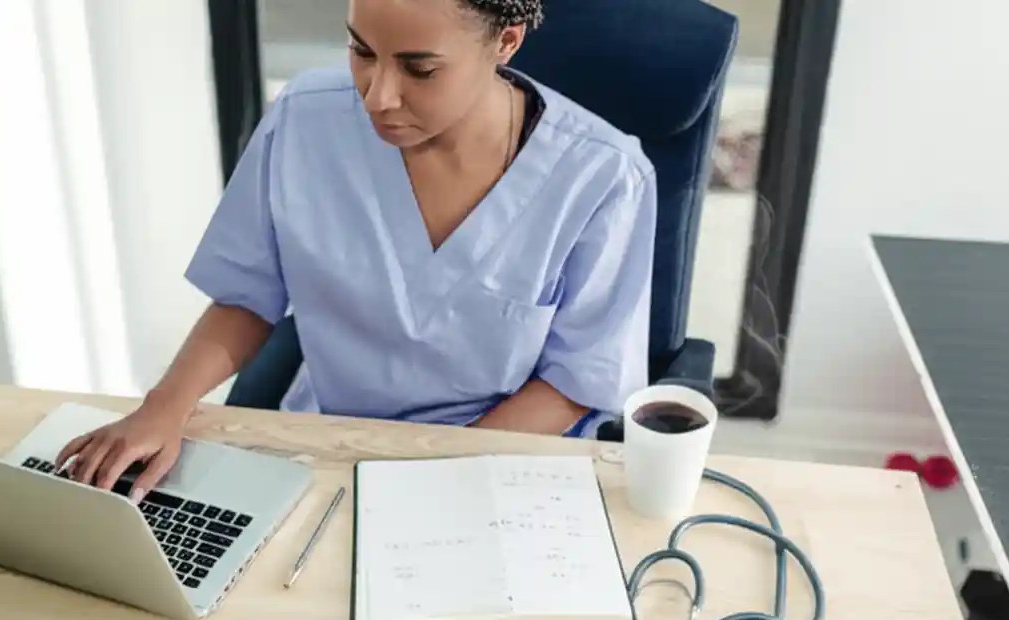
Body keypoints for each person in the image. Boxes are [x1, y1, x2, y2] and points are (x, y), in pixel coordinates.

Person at [58, 0, 656, 501]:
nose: (377, 97)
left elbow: (577, 380)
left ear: (506, 42)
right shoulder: (305, 120)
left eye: (419, 70)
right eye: (362, 52)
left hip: (494, 460)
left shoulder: (603, 177)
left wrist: (425, 481)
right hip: (328, 443)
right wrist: (164, 406)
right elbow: (247, 297)